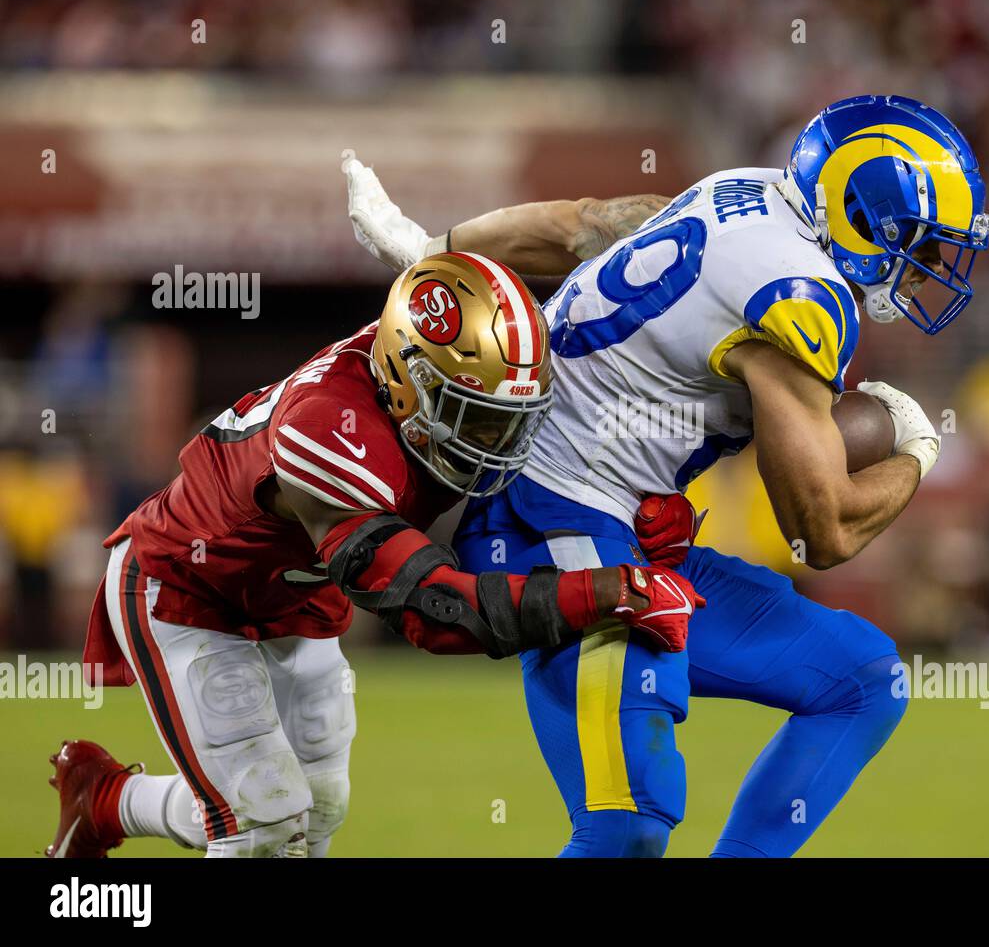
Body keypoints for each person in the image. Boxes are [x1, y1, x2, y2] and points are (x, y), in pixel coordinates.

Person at [347, 94, 989, 856]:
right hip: (557, 523)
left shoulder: (744, 190)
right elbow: (823, 529)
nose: (931, 270)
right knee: (626, 826)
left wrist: (432, 247)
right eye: (923, 243)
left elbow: (577, 226)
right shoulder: (801, 297)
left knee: (861, 681)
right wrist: (917, 451)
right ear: (863, 218)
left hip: (612, 524)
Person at [46, 253, 702, 859]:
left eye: (508, 419)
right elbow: (439, 614)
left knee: (316, 807)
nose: (494, 442)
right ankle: (113, 804)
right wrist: (612, 591)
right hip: (186, 584)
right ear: (404, 384)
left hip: (297, 588)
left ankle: (104, 803)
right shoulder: (329, 432)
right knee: (262, 819)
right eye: (473, 418)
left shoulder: (423, 363)